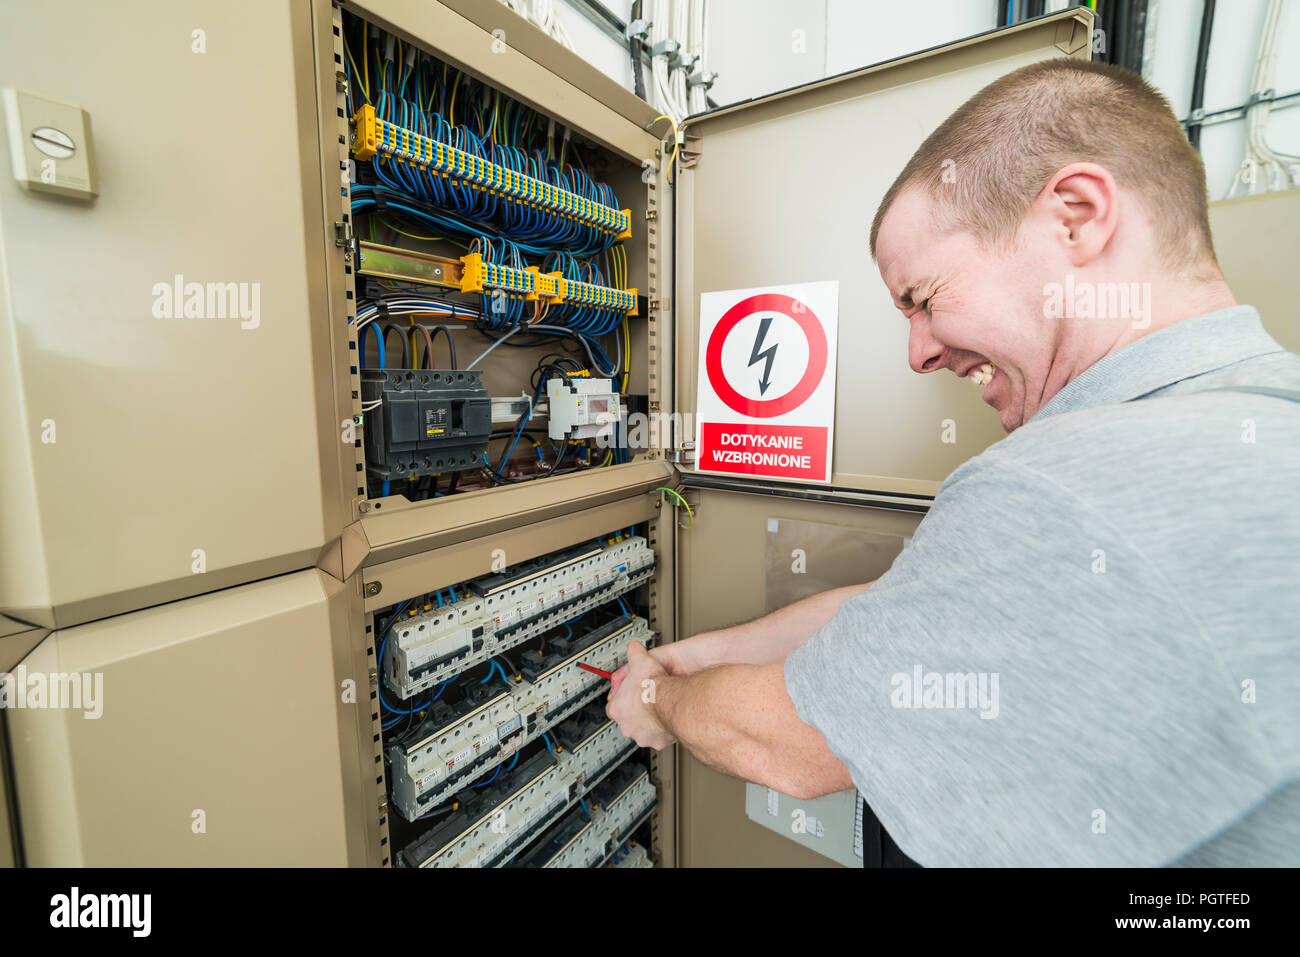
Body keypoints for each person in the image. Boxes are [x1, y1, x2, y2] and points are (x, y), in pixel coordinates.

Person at [605, 58, 1300, 866]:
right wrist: (707, 654)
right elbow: (914, 611)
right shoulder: (1256, 409)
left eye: (925, 298)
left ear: (1077, 217)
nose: (918, 353)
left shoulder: (1064, 481)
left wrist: (660, 697)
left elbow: (792, 741)